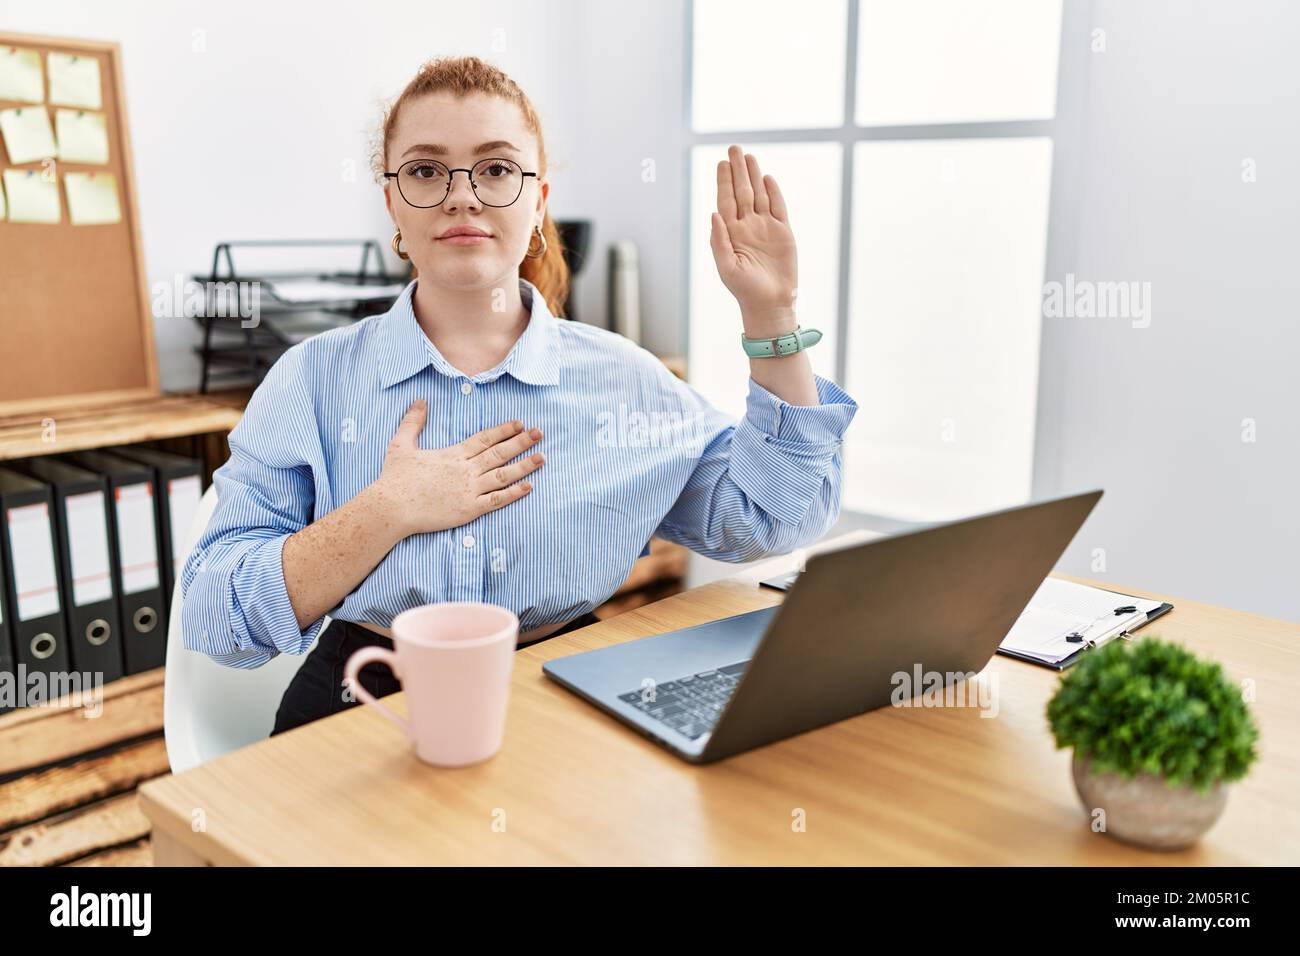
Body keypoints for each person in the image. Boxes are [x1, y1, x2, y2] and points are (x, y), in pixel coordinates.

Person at [179, 55, 858, 735]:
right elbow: (215, 617)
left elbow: (775, 519)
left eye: (497, 169)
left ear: (539, 200)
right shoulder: (310, 380)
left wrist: (772, 314)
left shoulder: (625, 382)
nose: (462, 196)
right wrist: (387, 509)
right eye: (425, 170)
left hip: (564, 695)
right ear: (391, 201)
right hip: (355, 708)